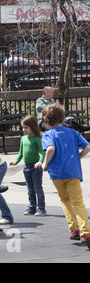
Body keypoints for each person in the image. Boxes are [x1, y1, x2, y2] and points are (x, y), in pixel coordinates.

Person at [41, 103, 90, 247]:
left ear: (46, 121)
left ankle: (74, 228)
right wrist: (78, 157)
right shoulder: (73, 132)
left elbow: (50, 149)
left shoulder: (48, 134)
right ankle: (85, 232)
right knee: (78, 202)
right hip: (73, 171)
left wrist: (45, 164)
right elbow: (87, 147)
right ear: (62, 118)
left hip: (57, 173)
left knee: (65, 200)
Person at [10, 115, 46, 216]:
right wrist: (16, 161)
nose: (23, 129)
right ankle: (32, 207)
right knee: (30, 189)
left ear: (32, 127)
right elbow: (21, 152)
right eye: (22, 127)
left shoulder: (37, 139)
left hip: (35, 167)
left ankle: (41, 208)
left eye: (26, 127)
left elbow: (43, 152)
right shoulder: (23, 139)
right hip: (26, 167)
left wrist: (40, 162)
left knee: (37, 188)